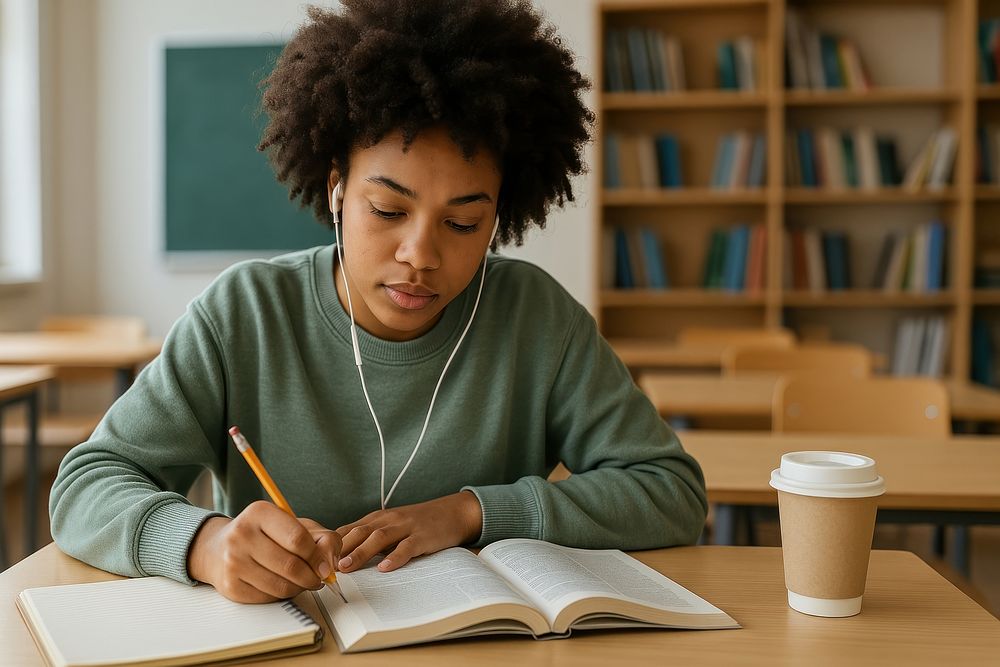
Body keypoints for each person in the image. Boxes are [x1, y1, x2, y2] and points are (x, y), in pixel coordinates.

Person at [50, 0, 707, 604]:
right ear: (336, 188)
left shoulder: (536, 319)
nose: (420, 255)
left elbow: (670, 491)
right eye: (388, 209)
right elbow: (86, 485)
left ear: (500, 216)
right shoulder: (242, 315)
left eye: (462, 223)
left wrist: (472, 511)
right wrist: (205, 543)